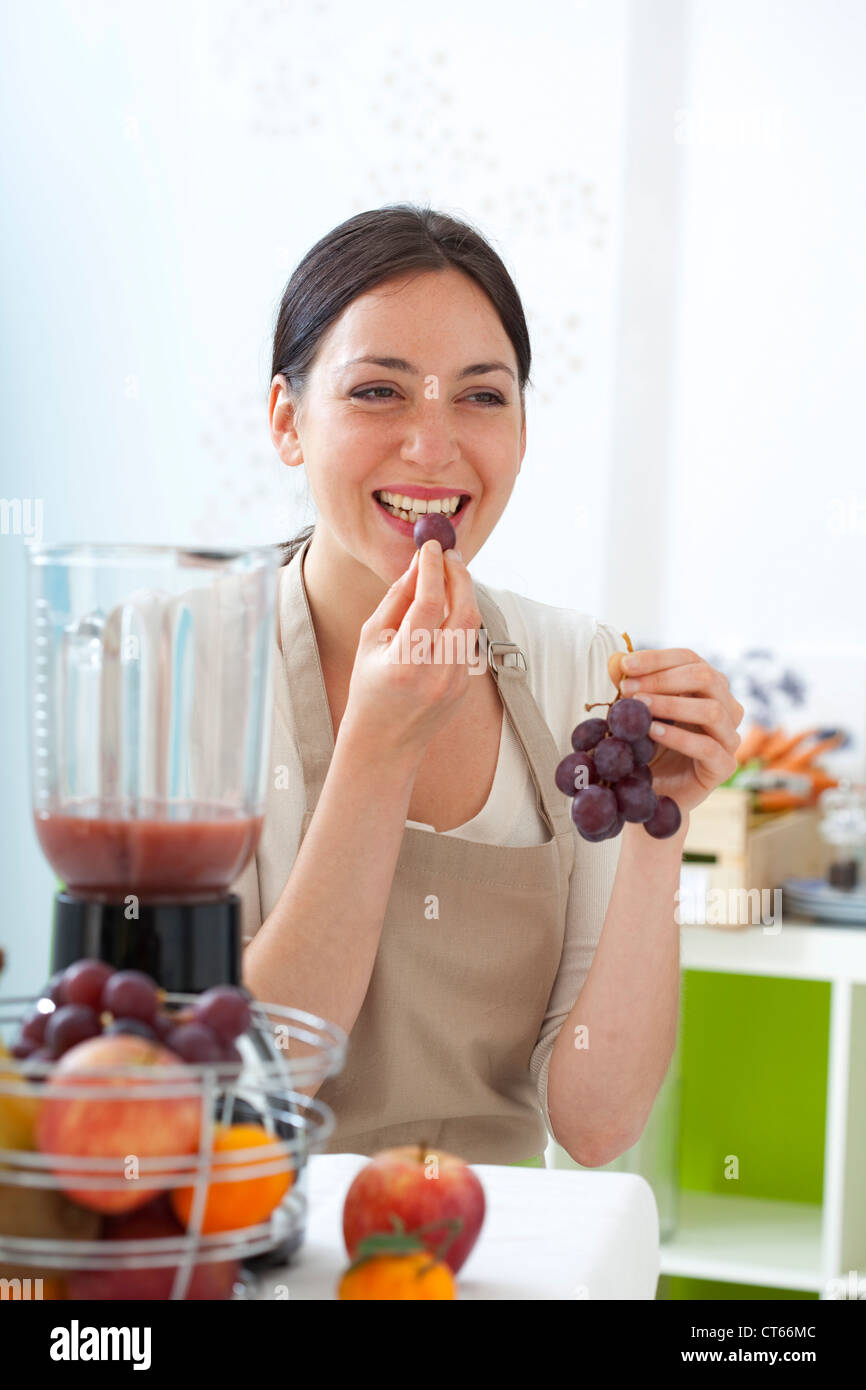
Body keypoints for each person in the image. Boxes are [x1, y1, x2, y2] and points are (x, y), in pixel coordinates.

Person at [234, 204, 744, 1168]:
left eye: (481, 396)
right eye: (380, 392)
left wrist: (657, 830)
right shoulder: (184, 669)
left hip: (497, 1259)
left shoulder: (581, 671)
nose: (433, 447)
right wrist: (379, 750)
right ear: (287, 421)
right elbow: (246, 1089)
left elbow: (596, 1127)